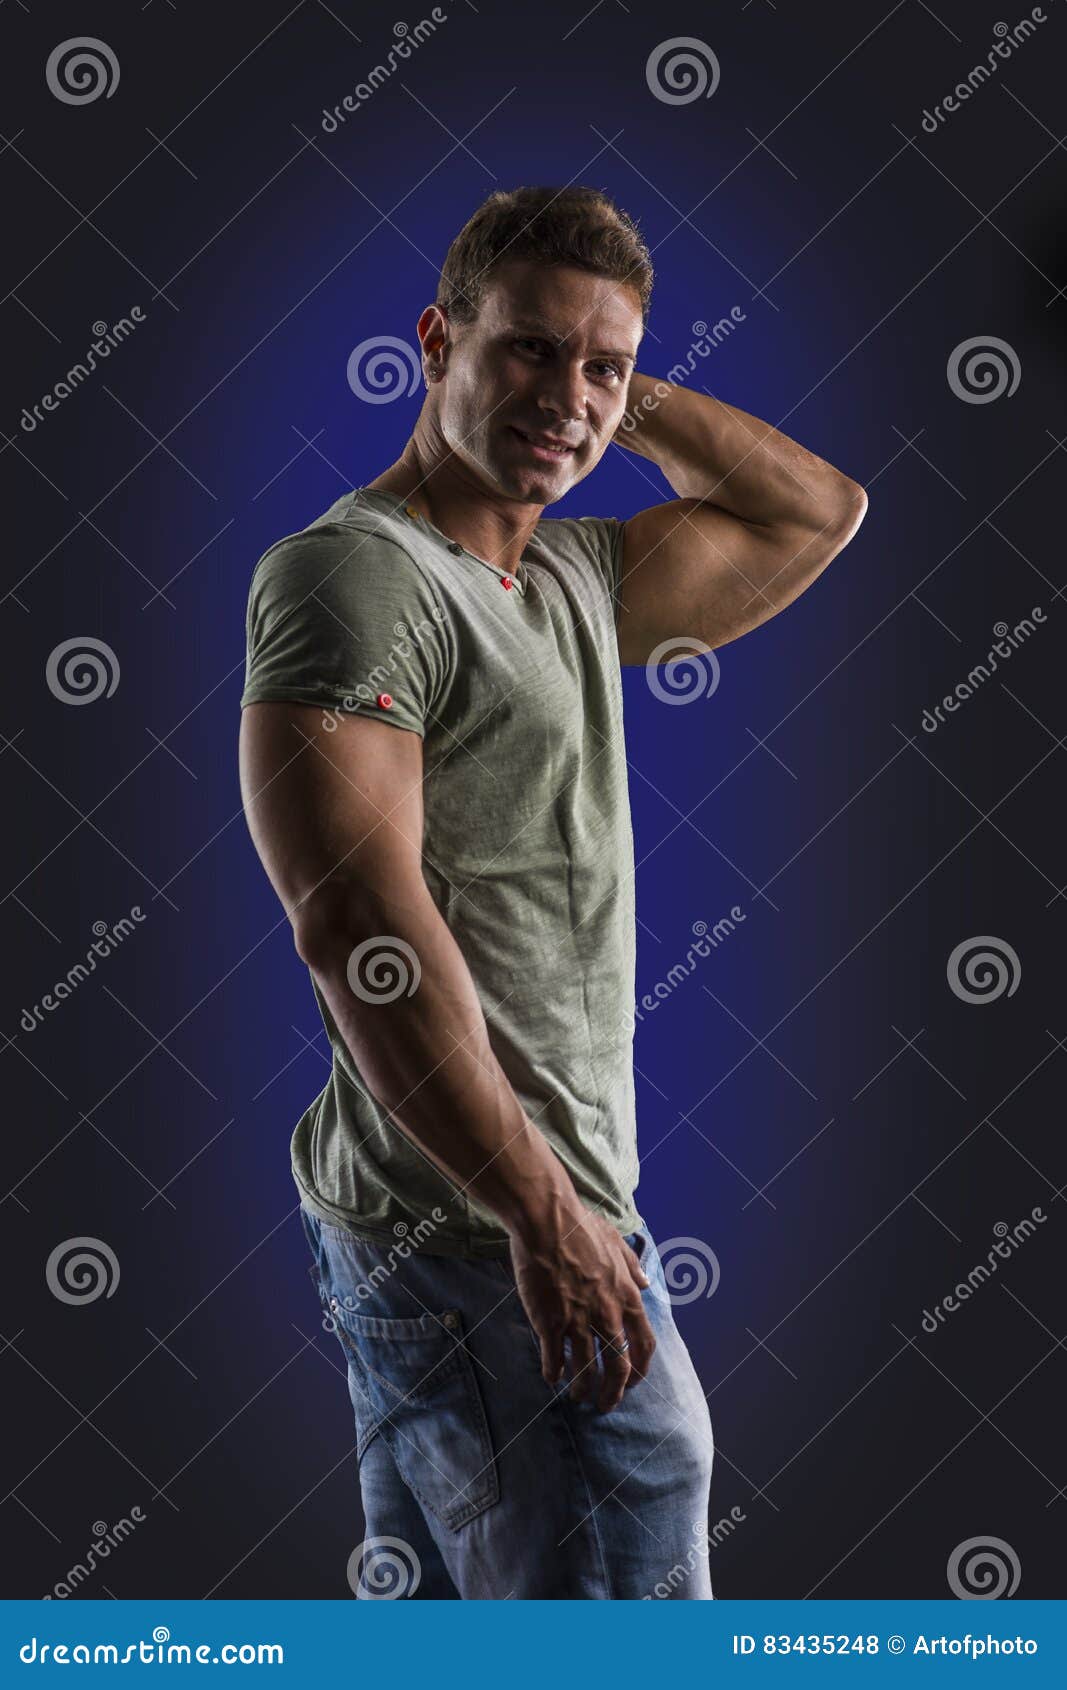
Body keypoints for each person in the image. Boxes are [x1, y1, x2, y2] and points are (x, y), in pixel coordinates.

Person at [238, 184, 867, 1600]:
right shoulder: (360, 576)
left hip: (461, 1228)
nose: (565, 396)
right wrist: (546, 1220)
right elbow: (355, 925)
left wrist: (610, 396)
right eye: (526, 349)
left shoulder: (572, 572)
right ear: (435, 341)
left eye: (605, 365)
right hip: (494, 1234)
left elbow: (816, 509)